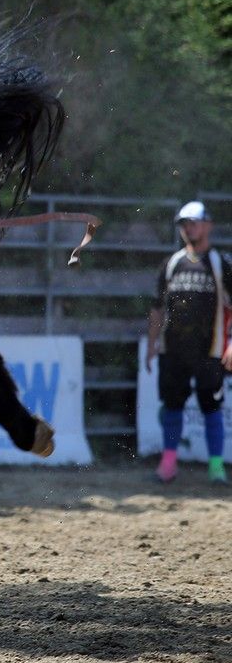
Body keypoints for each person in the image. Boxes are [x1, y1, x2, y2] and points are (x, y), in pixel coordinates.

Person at [145, 200, 232, 483]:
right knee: (172, 406)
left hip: (210, 351)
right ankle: (168, 464)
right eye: (184, 224)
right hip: (174, 351)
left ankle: (216, 467)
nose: (188, 229)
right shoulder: (171, 264)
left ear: (208, 225)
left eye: (193, 223)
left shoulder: (221, 263)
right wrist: (151, 345)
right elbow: (157, 308)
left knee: (211, 408)